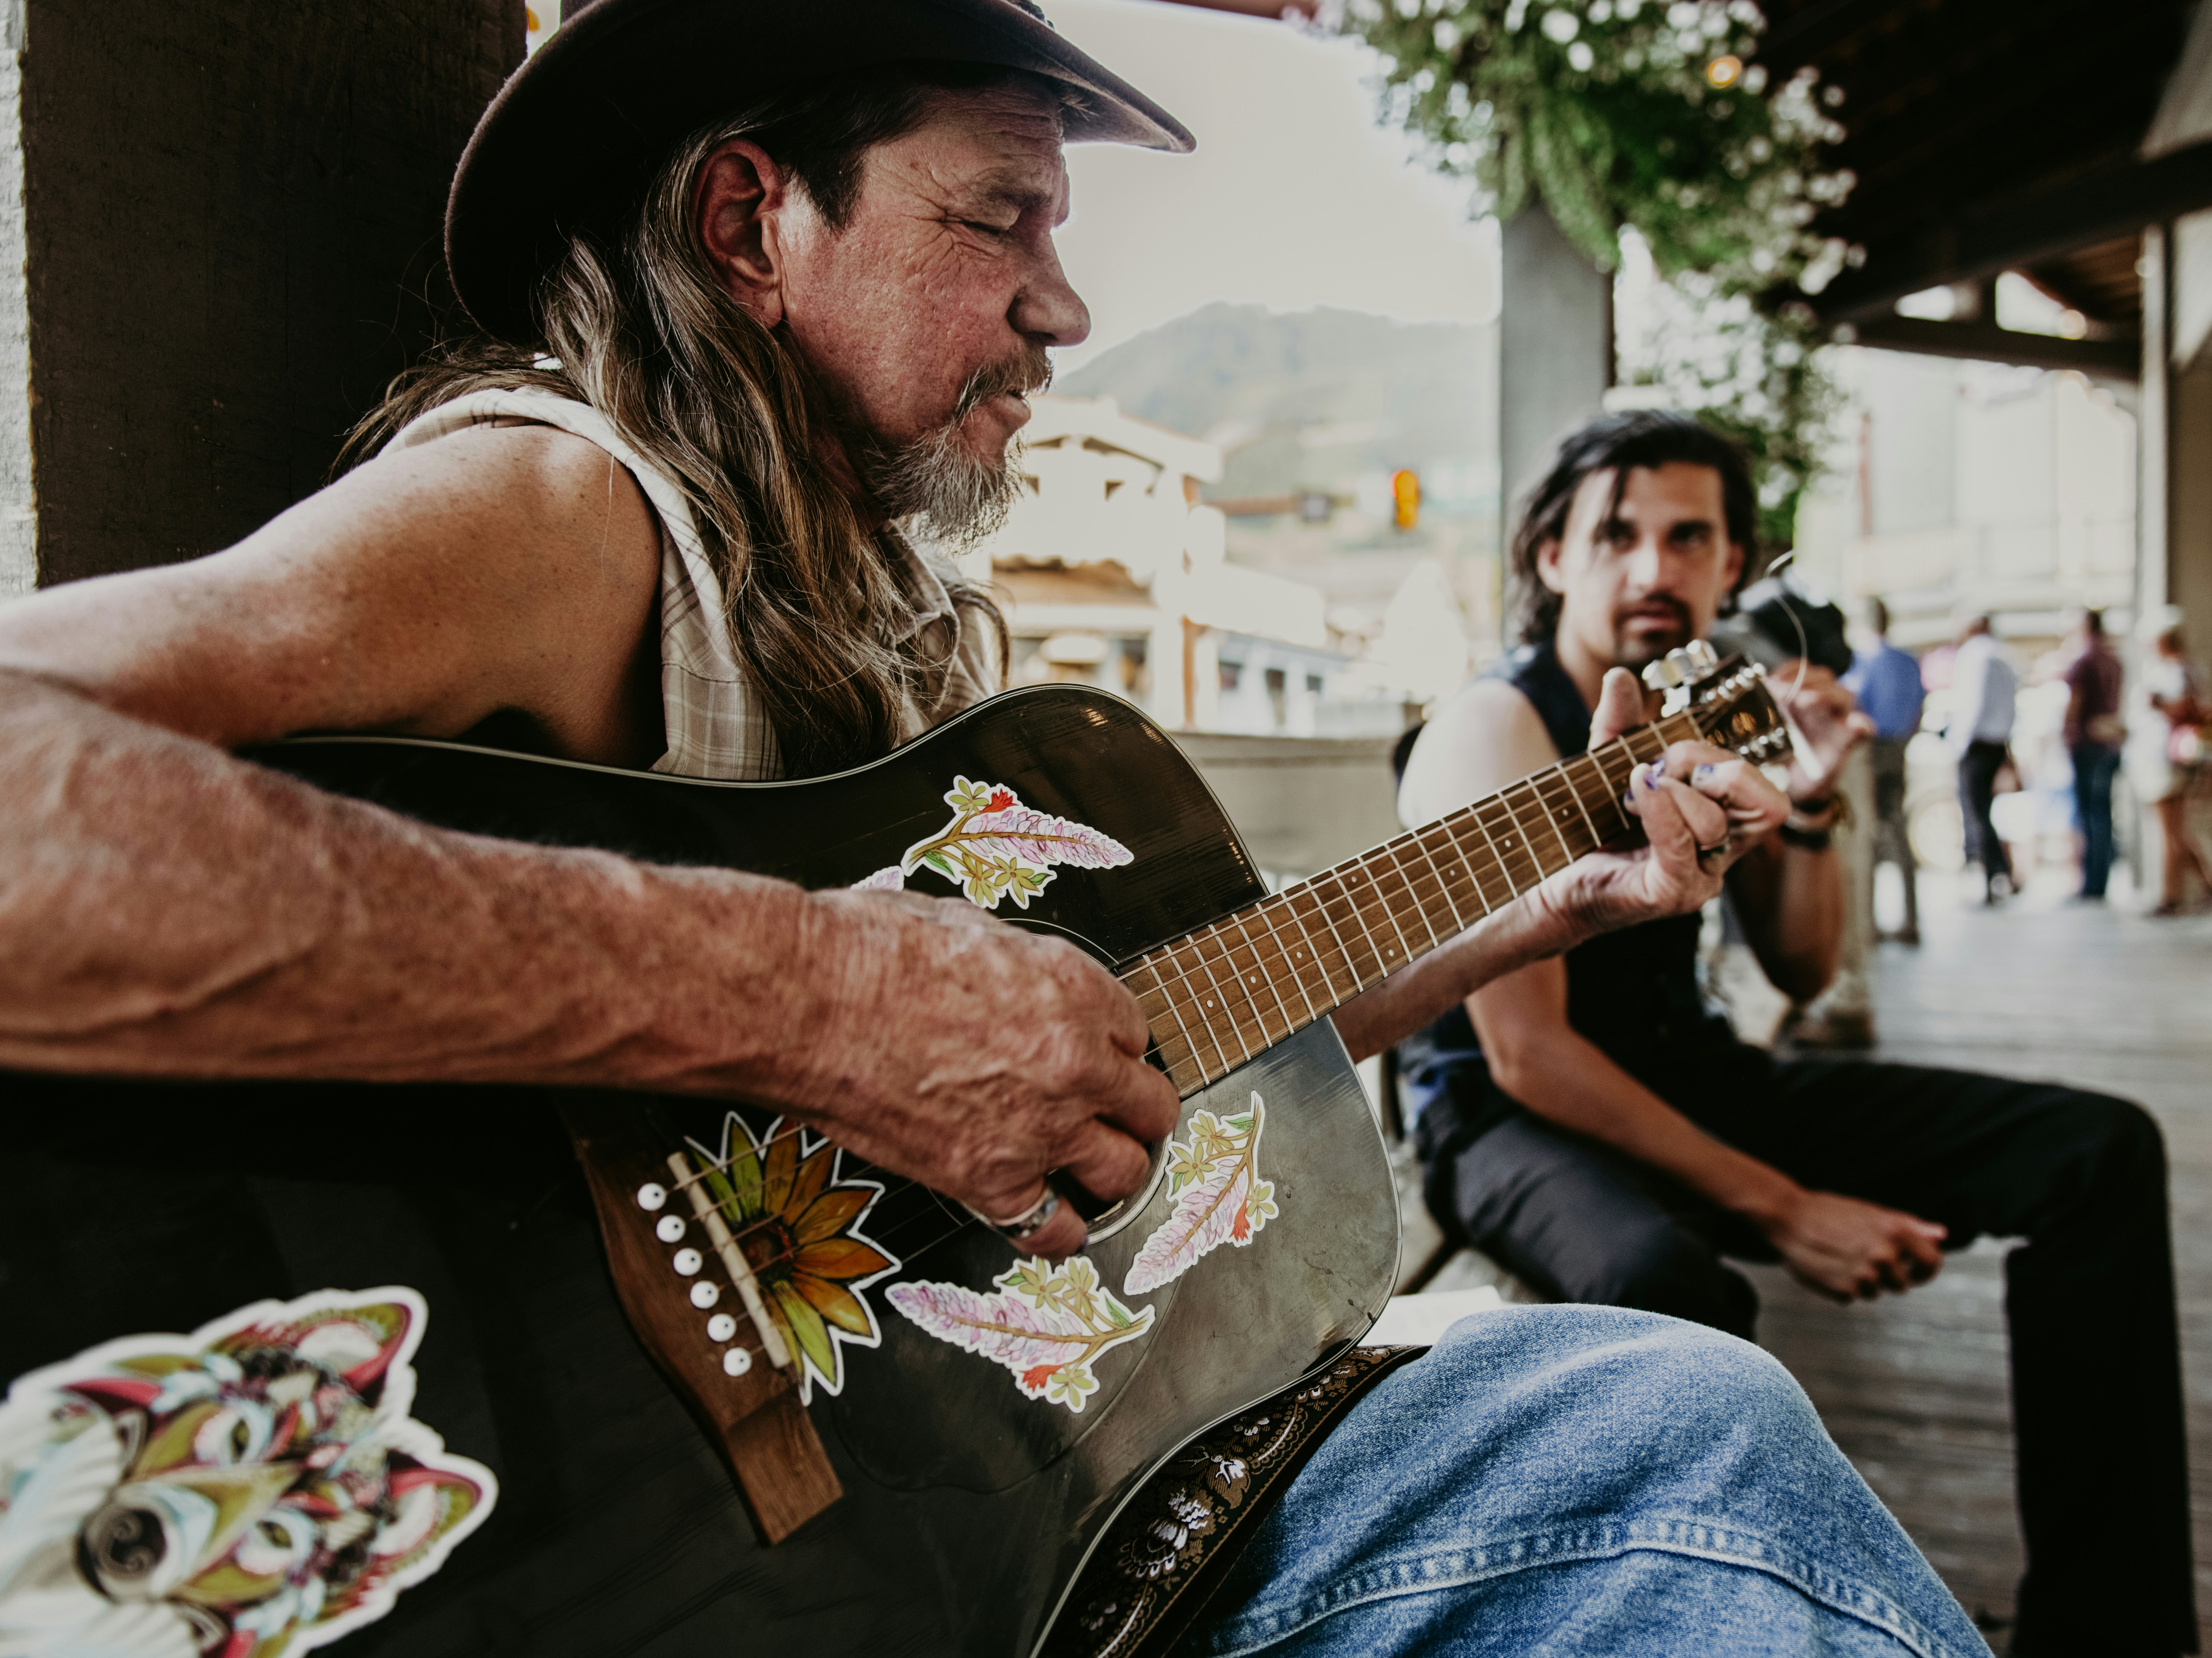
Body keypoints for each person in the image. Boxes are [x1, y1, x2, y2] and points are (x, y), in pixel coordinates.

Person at [0, 4, 1989, 1655]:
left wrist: (1536, 900)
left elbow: (1103, 1085)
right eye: (996, 218)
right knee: (1683, 1449)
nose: (1063, 299)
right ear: (750, 220)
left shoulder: (886, 622)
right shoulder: (557, 509)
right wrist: (812, 992)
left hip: (977, 1519)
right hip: (689, 1566)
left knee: (1675, 1421)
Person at [1396, 409, 2198, 1658]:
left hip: (1688, 1072)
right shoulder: (1497, 727)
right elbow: (1527, 1056)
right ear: (1552, 555)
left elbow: (1803, 964)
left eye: (1689, 537)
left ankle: (2111, 1629)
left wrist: (1813, 802)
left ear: (1733, 563)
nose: (1653, 569)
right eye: (1617, 534)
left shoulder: (1705, 714)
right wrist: (1784, 1208)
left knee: (2096, 1152)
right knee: (1669, 1287)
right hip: (1512, 1117)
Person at [1843, 596, 1925, 944]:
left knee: (1869, 834)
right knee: (1899, 831)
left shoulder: (1863, 660)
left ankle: (1869, 922)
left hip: (1872, 751)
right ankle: (1911, 919)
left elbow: (1854, 704)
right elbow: (1920, 706)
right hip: (1900, 748)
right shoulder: (1908, 662)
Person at [2137, 619, 2212, 916]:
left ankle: (2174, 895)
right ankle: (2207, 884)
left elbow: (2190, 709)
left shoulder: (2177, 672)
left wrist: (2160, 706)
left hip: (2170, 758)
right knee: (2173, 830)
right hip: (2171, 757)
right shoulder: (2187, 670)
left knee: (2170, 831)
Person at [1948, 613, 2021, 903]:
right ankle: (1999, 871)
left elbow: (1972, 704)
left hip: (1977, 743)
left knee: (1975, 812)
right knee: (1984, 811)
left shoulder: (1975, 656)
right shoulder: (2003, 656)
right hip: (1996, 742)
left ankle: (1991, 874)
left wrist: (1959, 743)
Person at [2062, 607, 2125, 901]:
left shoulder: (2084, 661)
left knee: (2090, 815)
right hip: (2108, 742)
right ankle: (2100, 880)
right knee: (2102, 814)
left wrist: (2067, 732)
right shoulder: (2113, 660)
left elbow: (2074, 703)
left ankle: (2092, 884)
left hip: (2089, 744)